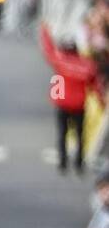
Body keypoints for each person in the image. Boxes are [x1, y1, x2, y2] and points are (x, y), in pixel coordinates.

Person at [39, 21, 100, 175]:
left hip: (63, 105)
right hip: (79, 105)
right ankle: (79, 163)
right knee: (80, 135)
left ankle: (63, 162)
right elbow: (94, 85)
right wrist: (101, 99)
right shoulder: (87, 66)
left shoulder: (61, 61)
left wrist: (44, 30)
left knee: (62, 134)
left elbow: (49, 50)